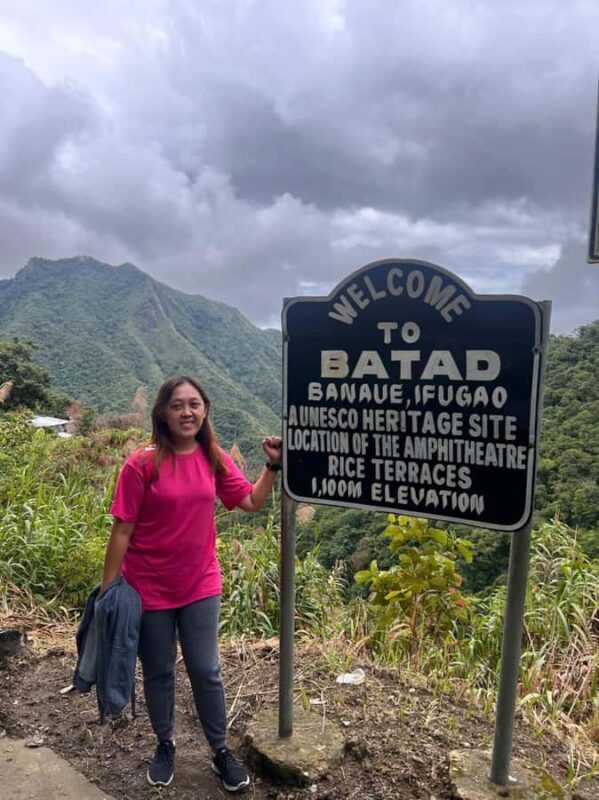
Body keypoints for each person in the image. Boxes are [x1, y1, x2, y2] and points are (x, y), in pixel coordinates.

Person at [101, 375, 282, 792]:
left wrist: (272, 465)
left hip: (200, 583)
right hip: (147, 587)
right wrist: (109, 591)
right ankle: (165, 744)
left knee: (206, 669)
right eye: (178, 405)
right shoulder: (141, 463)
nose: (187, 412)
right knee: (159, 671)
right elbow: (122, 530)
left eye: (195, 404)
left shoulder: (212, 456)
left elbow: (250, 503)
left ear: (205, 410)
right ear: (162, 413)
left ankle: (220, 750)